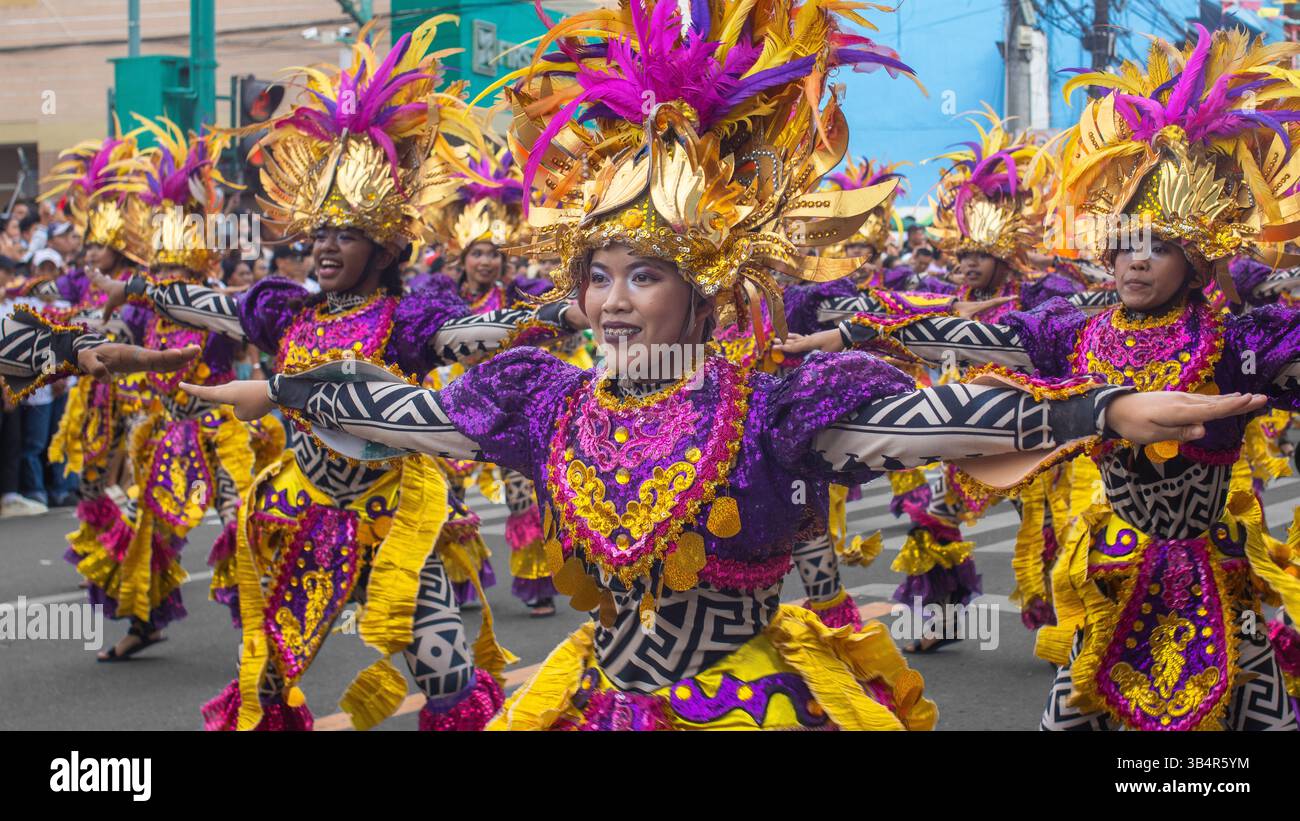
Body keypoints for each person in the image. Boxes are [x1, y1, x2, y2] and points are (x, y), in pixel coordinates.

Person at [186, 0, 1260, 732]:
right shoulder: (542, 401)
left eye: (642, 274)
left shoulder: (774, 404)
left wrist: (1104, 407)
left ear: (701, 291)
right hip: (601, 695)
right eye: (595, 273)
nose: (610, 298)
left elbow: (939, 417)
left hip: (743, 698)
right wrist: (280, 382)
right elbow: (400, 411)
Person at [790, 26, 1300, 730]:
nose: (1135, 263)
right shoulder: (1073, 331)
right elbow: (968, 334)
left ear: (1193, 255)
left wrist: (1264, 294)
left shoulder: (1236, 339)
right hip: (1114, 568)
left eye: (1156, 247)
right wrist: (853, 328)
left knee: (1248, 722)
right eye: (1122, 247)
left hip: (1214, 570)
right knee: (1071, 712)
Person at [104, 19, 579, 731]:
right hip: (304, 517)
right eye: (318, 233)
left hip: (393, 519)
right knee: (265, 688)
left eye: (344, 234)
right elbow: (209, 304)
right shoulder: (282, 312)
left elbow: (485, 331)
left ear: (383, 245)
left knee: (449, 677)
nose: (324, 247)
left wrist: (571, 308)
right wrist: (136, 292)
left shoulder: (408, 321)